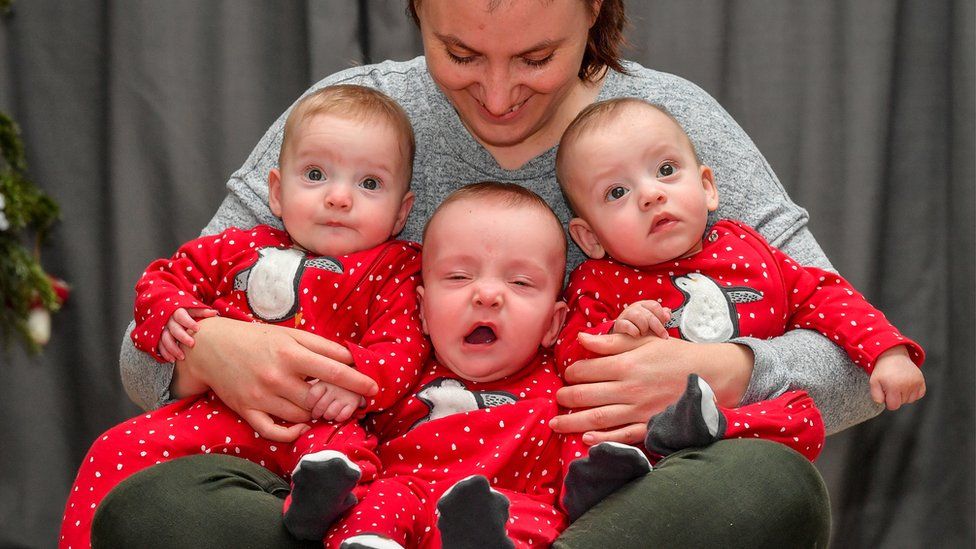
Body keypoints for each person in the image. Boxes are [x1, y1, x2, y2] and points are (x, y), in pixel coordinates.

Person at [96, 1, 859, 546]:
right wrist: (210, 351)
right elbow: (142, 357)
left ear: (595, 11)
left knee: (772, 486)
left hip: (593, 497)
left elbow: (855, 364)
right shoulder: (354, 121)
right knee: (155, 509)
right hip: (359, 489)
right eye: (460, 54)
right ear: (416, 12)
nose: (498, 95)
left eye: (536, 57)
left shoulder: (665, 126)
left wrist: (725, 368)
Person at [60, 84, 430, 547]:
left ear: (401, 212)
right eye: (315, 174)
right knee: (114, 449)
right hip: (219, 414)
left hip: (322, 430)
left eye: (369, 184)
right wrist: (170, 313)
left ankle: (329, 518)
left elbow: (405, 347)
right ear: (277, 192)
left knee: (351, 476)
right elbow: (164, 278)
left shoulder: (397, 269)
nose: (339, 197)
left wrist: (355, 379)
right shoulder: (240, 246)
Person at [552, 98, 925, 521]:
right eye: (617, 192)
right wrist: (616, 334)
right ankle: (606, 489)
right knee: (581, 438)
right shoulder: (598, 281)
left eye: (666, 171)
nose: (651, 195)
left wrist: (886, 351)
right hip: (637, 455)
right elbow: (569, 359)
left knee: (798, 415)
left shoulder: (750, 253)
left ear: (708, 187)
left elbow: (826, 295)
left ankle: (705, 427)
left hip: (734, 450)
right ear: (589, 237)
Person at [320, 182, 570, 548]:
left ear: (552, 323)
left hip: (507, 509)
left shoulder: (563, 387)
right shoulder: (398, 372)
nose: (487, 295)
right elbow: (345, 432)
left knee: (533, 522)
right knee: (378, 503)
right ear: (421, 310)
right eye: (459, 277)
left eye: (519, 282)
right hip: (406, 504)